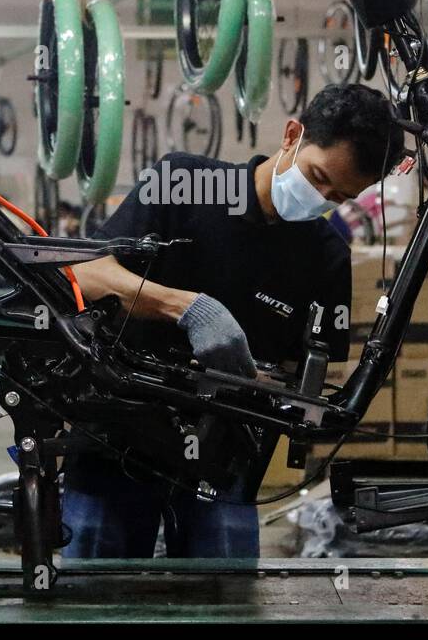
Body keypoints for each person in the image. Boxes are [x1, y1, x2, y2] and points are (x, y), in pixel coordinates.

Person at [65, 83, 406, 559]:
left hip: (223, 464)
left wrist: (273, 389)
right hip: (115, 444)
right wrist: (187, 308)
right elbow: (85, 274)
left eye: (340, 195)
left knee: (224, 603)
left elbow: (307, 375)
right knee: (94, 601)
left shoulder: (325, 255)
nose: (321, 198)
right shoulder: (186, 182)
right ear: (292, 135)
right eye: (317, 177)